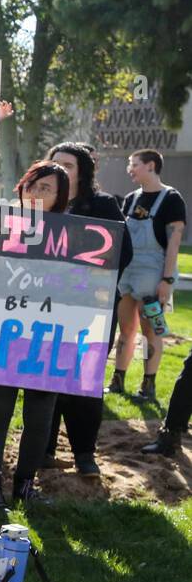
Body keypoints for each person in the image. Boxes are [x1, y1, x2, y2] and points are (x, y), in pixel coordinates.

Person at [0, 161, 73, 521]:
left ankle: (25, 486)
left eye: (47, 188)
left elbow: (87, 289)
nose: (38, 194)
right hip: (3, 333)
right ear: (22, 188)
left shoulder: (76, 235)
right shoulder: (0, 225)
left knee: (40, 418)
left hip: (49, 341)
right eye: (33, 186)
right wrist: (3, 299)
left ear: (61, 196)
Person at [41, 142, 130, 476]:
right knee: (44, 377)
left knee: (83, 380)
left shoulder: (103, 205)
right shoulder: (41, 202)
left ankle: (83, 454)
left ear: (83, 170)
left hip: (91, 307)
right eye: (55, 163)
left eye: (69, 165)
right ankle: (43, 448)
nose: (61, 170)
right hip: (44, 306)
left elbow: (123, 253)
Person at [110, 149, 186, 401]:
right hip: (129, 272)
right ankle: (118, 381)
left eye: (134, 164)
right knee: (126, 328)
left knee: (150, 330)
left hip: (154, 273)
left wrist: (167, 281)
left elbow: (174, 244)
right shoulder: (131, 198)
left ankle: (148, 386)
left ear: (151, 165)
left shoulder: (172, 198)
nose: (129, 169)